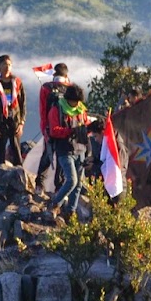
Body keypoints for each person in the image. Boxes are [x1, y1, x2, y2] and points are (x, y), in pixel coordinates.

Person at [46, 84, 91, 219]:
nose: (77, 104)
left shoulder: (81, 110)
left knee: (78, 184)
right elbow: (54, 130)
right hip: (65, 150)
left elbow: (86, 125)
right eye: (75, 101)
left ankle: (70, 212)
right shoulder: (57, 109)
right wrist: (71, 131)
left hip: (80, 150)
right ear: (68, 99)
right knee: (71, 180)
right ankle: (54, 204)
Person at [34, 62, 72, 189]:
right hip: (67, 128)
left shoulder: (46, 87)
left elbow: (43, 110)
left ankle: (39, 183)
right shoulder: (70, 88)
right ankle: (59, 185)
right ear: (66, 75)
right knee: (63, 155)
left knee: (47, 153)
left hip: (50, 127)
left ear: (54, 74)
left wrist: (44, 128)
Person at [0, 54, 26, 166]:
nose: (7, 67)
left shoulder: (17, 83)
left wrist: (21, 123)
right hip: (0, 120)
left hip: (14, 119)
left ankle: (19, 171)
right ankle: (0, 172)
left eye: (9, 64)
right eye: (4, 64)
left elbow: (23, 103)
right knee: (0, 150)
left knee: (16, 148)